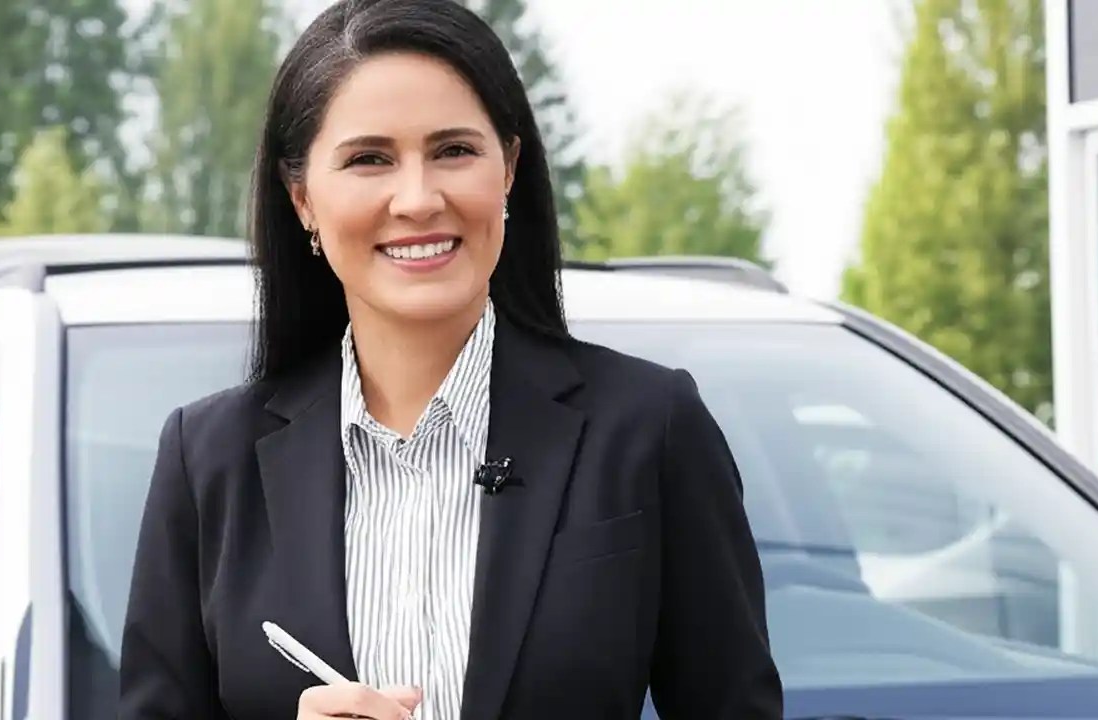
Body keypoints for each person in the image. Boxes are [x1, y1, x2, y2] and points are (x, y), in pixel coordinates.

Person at [117, 0, 783, 718]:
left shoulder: (648, 427)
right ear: (302, 196)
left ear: (509, 169)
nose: (418, 198)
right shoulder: (208, 459)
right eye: (369, 159)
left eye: (454, 151)